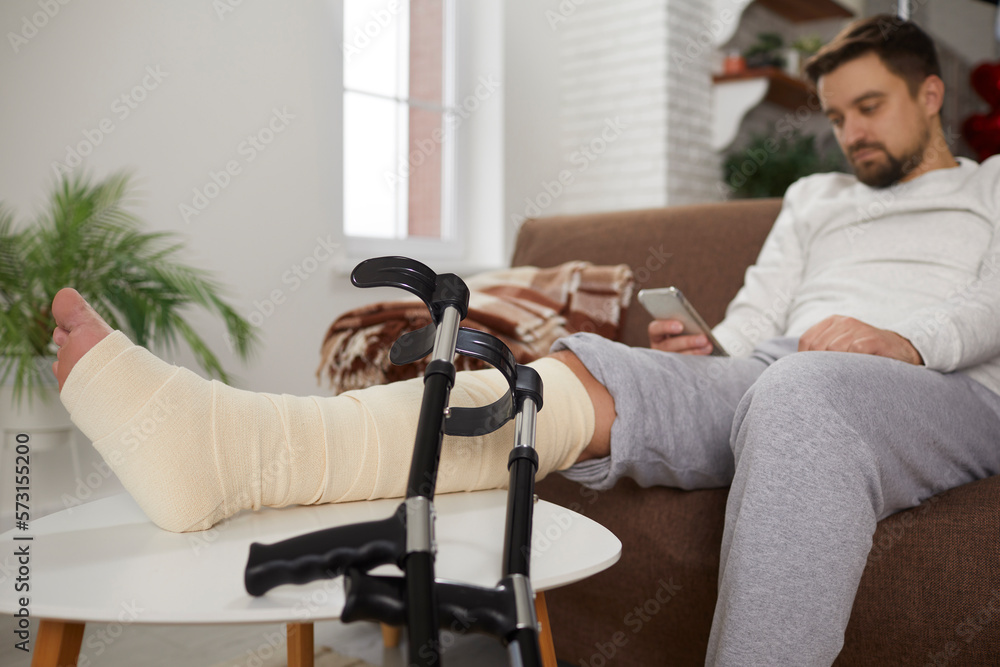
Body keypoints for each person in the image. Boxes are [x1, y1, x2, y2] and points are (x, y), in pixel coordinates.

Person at [50, 14, 1000, 666]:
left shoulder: (988, 187)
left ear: (926, 94)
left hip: (940, 388)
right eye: (834, 115)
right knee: (559, 378)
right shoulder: (813, 198)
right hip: (780, 365)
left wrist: (904, 339)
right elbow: (759, 317)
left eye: (867, 108)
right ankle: (229, 452)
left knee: (801, 392)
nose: (848, 133)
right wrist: (708, 348)